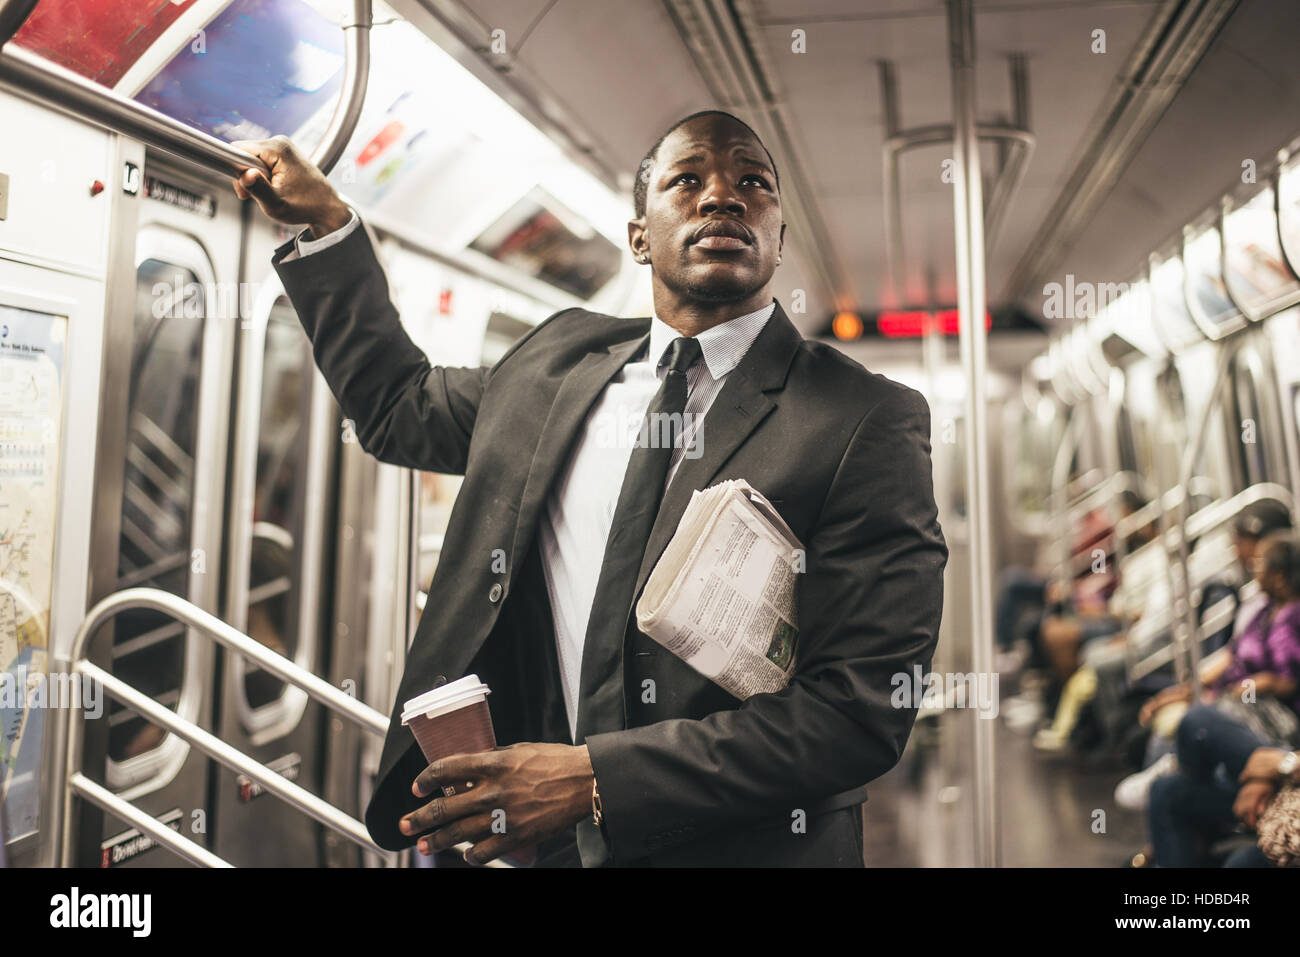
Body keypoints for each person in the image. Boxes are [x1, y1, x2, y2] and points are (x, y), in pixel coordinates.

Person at [229, 111, 948, 867]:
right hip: (554, 848)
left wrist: (594, 779)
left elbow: (856, 713)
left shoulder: (862, 419)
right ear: (639, 236)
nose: (722, 198)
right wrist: (329, 226)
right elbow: (398, 408)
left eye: (752, 183)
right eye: (688, 180)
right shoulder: (557, 365)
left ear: (779, 239)